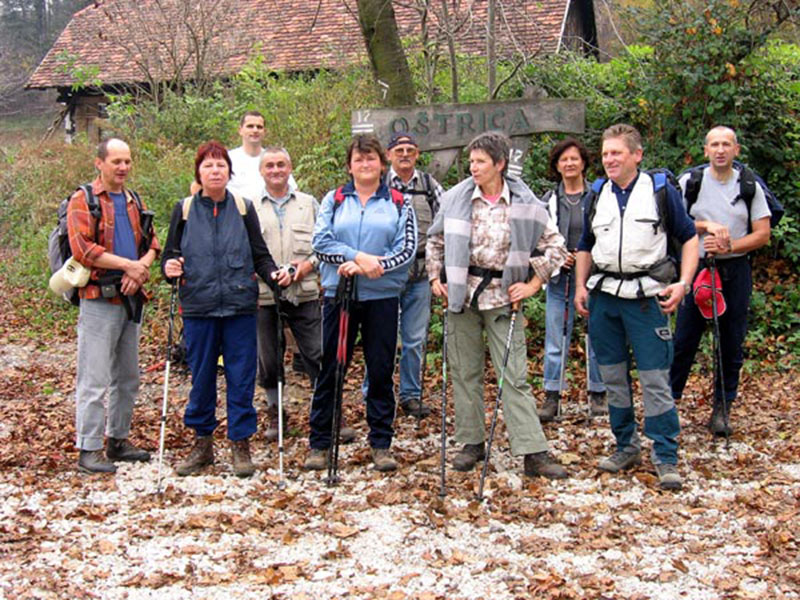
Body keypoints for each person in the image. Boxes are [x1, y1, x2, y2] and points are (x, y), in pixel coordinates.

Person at [426, 131, 570, 480]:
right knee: (464, 371)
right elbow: (436, 240)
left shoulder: (526, 201)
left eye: (480, 162)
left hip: (504, 297)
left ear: (500, 164)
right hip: (462, 294)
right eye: (471, 161)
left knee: (514, 376)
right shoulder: (456, 198)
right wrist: (435, 279)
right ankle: (471, 443)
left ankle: (533, 451)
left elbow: (557, 248)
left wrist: (533, 283)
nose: (472, 168)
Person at [574, 124, 699, 491]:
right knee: (613, 377)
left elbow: (689, 237)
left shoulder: (660, 191)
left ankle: (665, 455)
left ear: (637, 155)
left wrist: (684, 284)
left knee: (655, 379)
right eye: (605, 153)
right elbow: (585, 243)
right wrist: (581, 285)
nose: (609, 159)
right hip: (604, 297)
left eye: (617, 153)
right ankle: (625, 445)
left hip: (648, 299)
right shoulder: (597, 194)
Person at [161, 141, 291, 478]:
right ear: (199, 173)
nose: (215, 171)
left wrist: (273, 275)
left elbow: (260, 255)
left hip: (238, 306)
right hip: (199, 308)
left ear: (229, 173)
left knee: (241, 377)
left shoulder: (243, 208)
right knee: (201, 378)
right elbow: (169, 257)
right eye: (208, 166)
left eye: (220, 165)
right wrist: (169, 269)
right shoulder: (185, 209)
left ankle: (240, 444)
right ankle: (202, 444)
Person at [305, 134, 417, 473]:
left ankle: (381, 443)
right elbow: (320, 243)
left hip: (382, 299)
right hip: (338, 297)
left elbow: (407, 249)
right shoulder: (335, 199)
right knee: (331, 370)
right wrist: (358, 257)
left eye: (371, 159)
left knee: (381, 371)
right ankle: (320, 443)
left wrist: (372, 267)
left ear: (382, 164)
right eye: (358, 159)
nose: (365, 164)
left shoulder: (399, 201)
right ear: (350, 166)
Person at [669, 126, 772, 436]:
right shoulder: (691, 182)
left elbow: (763, 233)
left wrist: (731, 245)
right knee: (685, 339)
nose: (720, 150)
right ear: (705, 150)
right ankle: (668, 406)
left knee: (730, 341)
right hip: (696, 267)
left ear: (736, 150)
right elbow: (673, 221)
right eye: (714, 144)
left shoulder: (749, 184)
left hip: (735, 270)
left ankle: (722, 409)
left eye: (726, 144)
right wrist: (705, 227)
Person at [67, 137, 160, 474]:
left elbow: (153, 243)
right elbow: (83, 250)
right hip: (97, 298)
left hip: (130, 296)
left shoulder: (134, 200)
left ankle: (117, 440)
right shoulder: (84, 200)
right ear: (99, 163)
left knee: (128, 376)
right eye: (116, 161)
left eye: (127, 161)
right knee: (94, 377)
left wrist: (142, 267)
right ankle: (88, 449)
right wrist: (128, 266)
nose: (122, 167)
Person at [253, 146, 339, 442]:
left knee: (317, 353)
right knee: (268, 359)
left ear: (290, 168)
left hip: (304, 292)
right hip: (264, 295)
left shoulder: (309, 204)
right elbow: (244, 250)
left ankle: (326, 415)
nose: (276, 170)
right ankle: (275, 416)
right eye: (270, 166)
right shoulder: (250, 206)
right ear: (261, 171)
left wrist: (305, 268)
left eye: (281, 165)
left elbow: (324, 245)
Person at [362, 132, 445, 418]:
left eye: (410, 149)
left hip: (421, 274)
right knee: (380, 338)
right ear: (389, 155)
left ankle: (410, 395)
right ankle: (373, 393)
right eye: (399, 150)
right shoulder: (379, 185)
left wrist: (440, 269)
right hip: (385, 275)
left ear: (418, 153)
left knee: (414, 339)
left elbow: (443, 223)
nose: (405, 154)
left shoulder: (429, 185)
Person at [539, 138, 606, 421]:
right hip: (558, 278)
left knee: (597, 336)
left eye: (574, 159)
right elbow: (536, 237)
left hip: (594, 277)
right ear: (557, 165)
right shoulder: (548, 200)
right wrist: (556, 256)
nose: (569, 164)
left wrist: (585, 255)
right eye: (563, 159)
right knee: (556, 338)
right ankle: (552, 395)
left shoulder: (599, 196)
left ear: (583, 162)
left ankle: (599, 394)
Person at [227, 111, 297, 201]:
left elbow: (293, 190)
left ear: (264, 132)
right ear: (240, 130)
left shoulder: (273, 159)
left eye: (259, 127)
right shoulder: (228, 159)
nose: (255, 130)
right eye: (250, 126)